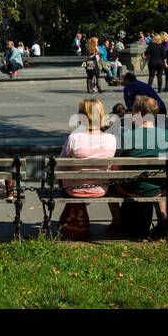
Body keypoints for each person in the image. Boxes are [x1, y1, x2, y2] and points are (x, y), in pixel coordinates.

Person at [108, 96, 168, 238]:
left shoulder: (126, 136)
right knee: (164, 181)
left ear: (138, 114)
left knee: (109, 183)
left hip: (131, 188)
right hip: (159, 188)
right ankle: (162, 218)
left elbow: (115, 169)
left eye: (132, 111)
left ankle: (117, 222)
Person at [58, 98, 118, 240]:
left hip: (74, 189)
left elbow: (60, 168)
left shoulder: (74, 138)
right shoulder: (111, 139)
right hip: (101, 189)